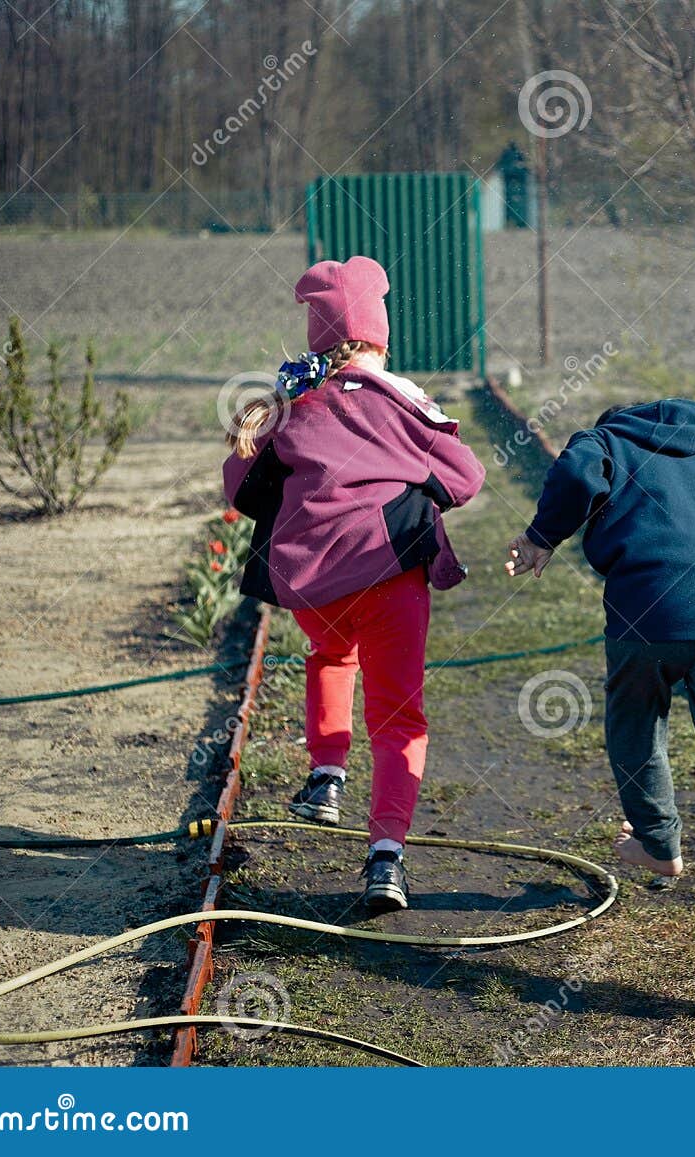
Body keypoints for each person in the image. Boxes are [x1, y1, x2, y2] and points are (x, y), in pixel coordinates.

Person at [505, 399, 695, 1009]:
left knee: (635, 718)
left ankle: (659, 842)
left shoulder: (608, 442)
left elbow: (579, 471)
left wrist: (541, 536)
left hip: (650, 613)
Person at [222, 255, 484, 913]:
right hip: (392, 576)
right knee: (398, 718)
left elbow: (241, 485)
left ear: (318, 335)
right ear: (379, 332)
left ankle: (326, 775)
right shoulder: (402, 400)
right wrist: (413, 483)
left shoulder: (294, 404)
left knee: (332, 656)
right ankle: (386, 857)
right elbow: (467, 475)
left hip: (314, 588)